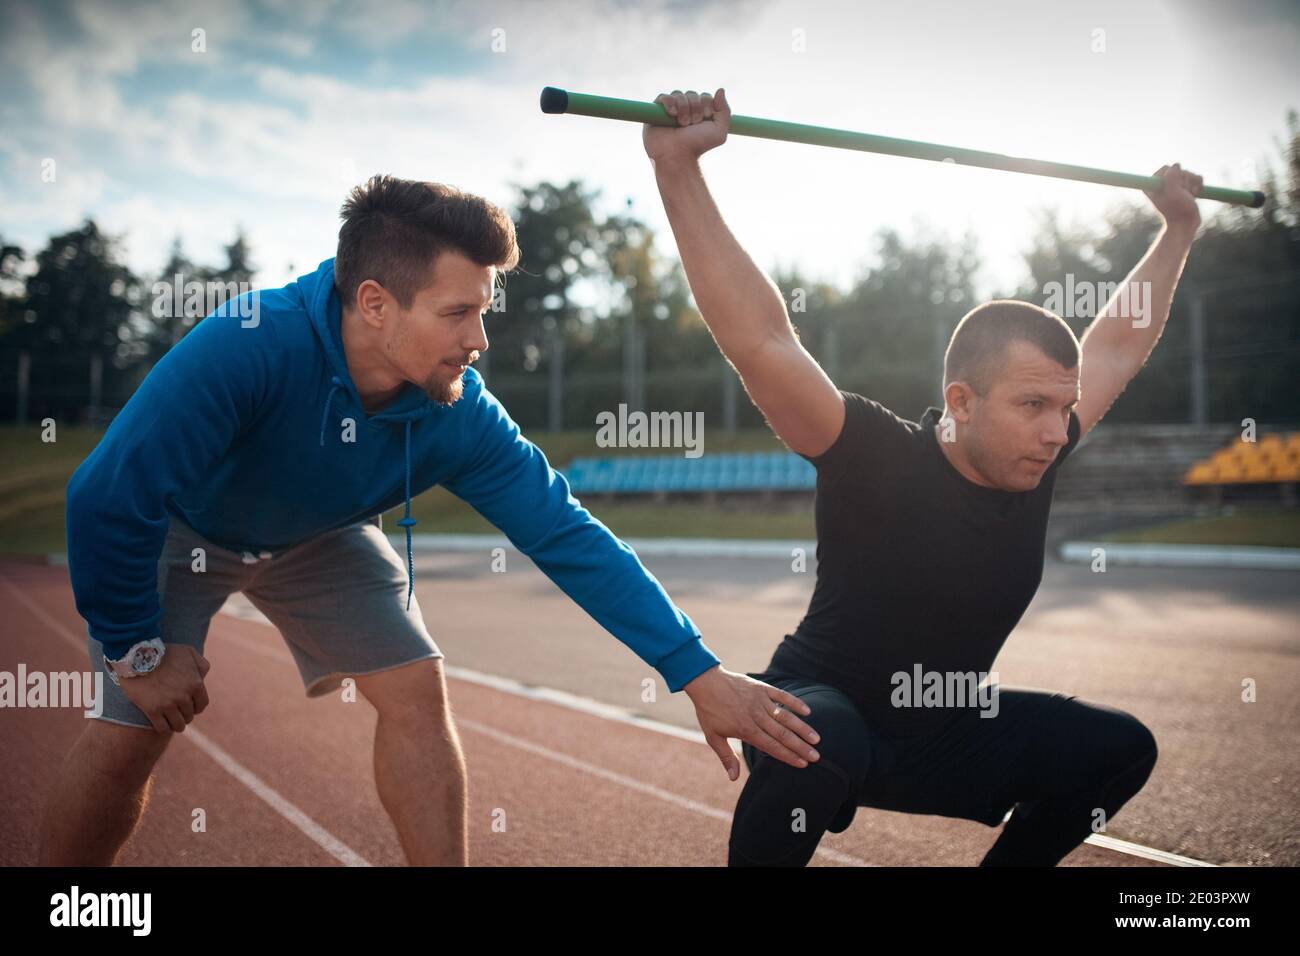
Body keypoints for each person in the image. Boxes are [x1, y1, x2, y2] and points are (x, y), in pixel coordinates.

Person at [38, 174, 821, 867]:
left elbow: (564, 533)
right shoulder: (250, 346)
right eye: (457, 313)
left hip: (319, 537)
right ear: (375, 303)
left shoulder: (459, 412)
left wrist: (696, 672)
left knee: (417, 688)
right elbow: (105, 496)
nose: (479, 341)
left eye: (483, 311)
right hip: (182, 531)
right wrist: (138, 652)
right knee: (131, 734)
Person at [644, 88, 1202, 866]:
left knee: (1118, 748)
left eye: (1064, 407)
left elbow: (1115, 344)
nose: (1057, 431)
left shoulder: (1036, 451)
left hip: (940, 735)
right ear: (961, 402)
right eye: (1033, 405)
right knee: (821, 733)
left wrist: (1178, 228)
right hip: (817, 715)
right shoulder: (874, 452)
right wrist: (678, 167)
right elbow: (761, 338)